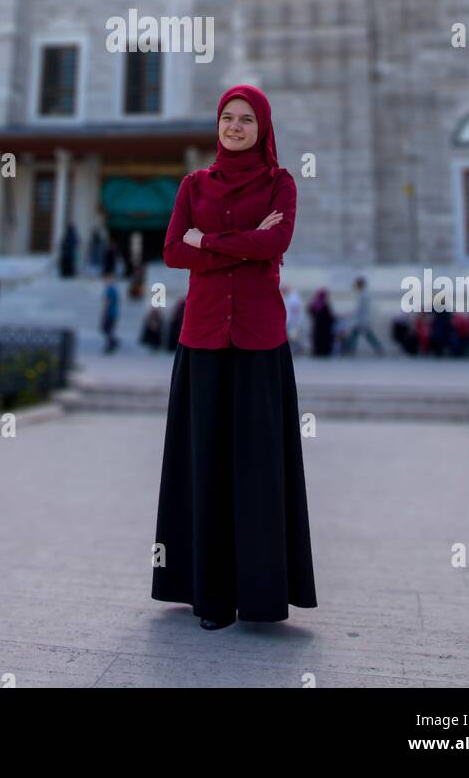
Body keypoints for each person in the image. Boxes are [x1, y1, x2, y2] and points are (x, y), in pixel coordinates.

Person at [151, 84, 317, 630]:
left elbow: (276, 244)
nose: (236, 126)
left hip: (258, 342)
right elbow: (174, 251)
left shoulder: (280, 183)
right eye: (228, 117)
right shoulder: (194, 184)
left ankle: (261, 595)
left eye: (247, 119)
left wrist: (210, 241)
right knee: (206, 465)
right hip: (202, 342)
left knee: (256, 470)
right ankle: (210, 597)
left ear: (262, 127)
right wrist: (241, 240)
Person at [344, 275, 384, 356]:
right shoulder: (363, 295)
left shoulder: (362, 295)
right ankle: (378, 349)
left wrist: (352, 316)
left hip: (361, 321)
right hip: (362, 320)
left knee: (359, 336)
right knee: (364, 336)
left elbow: (359, 310)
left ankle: (349, 350)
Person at [307, 288, 335, 357]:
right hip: (325, 328)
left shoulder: (314, 305)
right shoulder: (325, 305)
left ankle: (317, 352)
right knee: (325, 340)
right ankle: (324, 352)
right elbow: (329, 317)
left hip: (316, 327)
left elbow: (310, 312)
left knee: (317, 340)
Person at [282, 283, 306, 354]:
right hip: (291, 321)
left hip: (293, 321)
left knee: (293, 337)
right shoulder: (290, 297)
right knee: (292, 337)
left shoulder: (293, 299)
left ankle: (296, 351)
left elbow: (295, 311)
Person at [99, 277, 119, 353]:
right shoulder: (114, 290)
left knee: (106, 328)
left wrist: (104, 313)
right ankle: (112, 343)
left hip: (109, 313)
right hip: (114, 313)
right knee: (108, 329)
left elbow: (107, 302)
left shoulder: (109, 290)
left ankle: (113, 343)